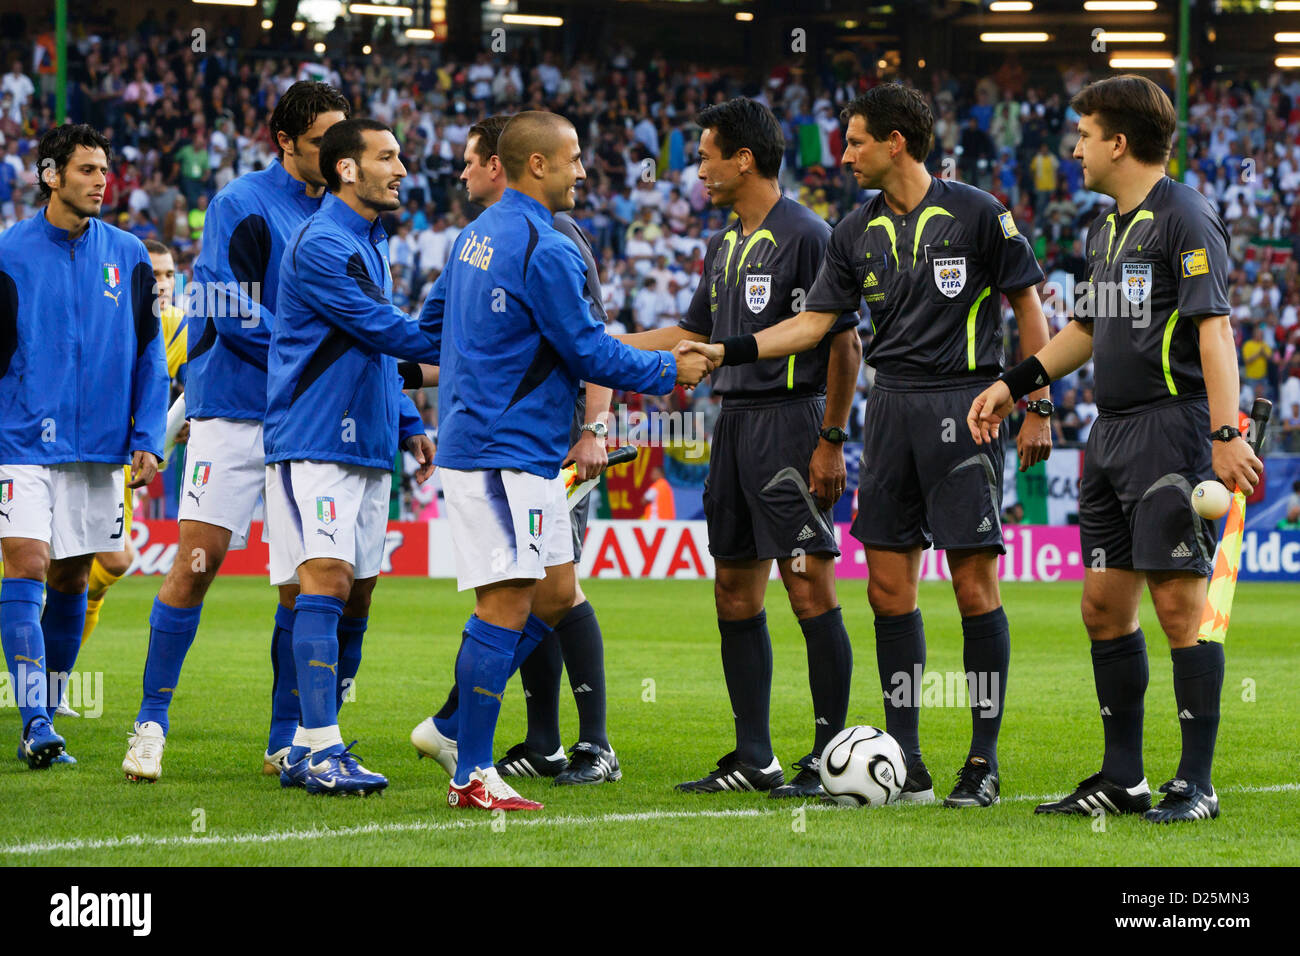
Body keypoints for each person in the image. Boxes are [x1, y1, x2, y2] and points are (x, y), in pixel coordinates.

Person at [681, 85, 1053, 807]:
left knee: (974, 587)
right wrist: (728, 350)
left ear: (896, 143)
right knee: (889, 591)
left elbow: (1030, 307)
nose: (843, 155)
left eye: (854, 142)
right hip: (889, 412)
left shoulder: (978, 213)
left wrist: (1034, 404)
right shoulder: (852, 232)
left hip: (966, 406)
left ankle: (982, 761)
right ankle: (906, 761)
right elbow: (816, 327)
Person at [967, 75, 1263, 823]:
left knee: (1178, 607)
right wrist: (1014, 384)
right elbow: (1085, 333)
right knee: (1103, 607)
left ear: (1119, 143)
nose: (1075, 148)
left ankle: (1195, 782)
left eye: (1085, 134)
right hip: (1112, 433)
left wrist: (1225, 434)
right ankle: (1122, 778)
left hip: (1174, 428)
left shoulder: (1185, 215)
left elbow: (1215, 330)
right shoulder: (1105, 230)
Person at [420, 110, 708, 811]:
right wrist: (670, 366)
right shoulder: (546, 247)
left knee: (528, 600)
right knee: (506, 604)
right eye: (575, 157)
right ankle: (473, 769)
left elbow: (430, 334)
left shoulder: (471, 239)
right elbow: (588, 350)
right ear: (537, 164)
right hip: (508, 452)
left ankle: (467, 749)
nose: (585, 171)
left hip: (485, 444)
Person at [620, 97, 862, 798]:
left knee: (808, 587)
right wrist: (599, 348)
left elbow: (844, 342)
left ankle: (827, 760)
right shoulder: (723, 245)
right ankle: (754, 757)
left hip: (794, 421)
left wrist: (832, 437)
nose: (697, 170)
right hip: (733, 424)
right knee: (733, 590)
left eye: (704, 156)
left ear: (743, 159)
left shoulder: (810, 234)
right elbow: (688, 337)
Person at [121, 82, 351, 783]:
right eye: (323, 145)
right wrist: (306, 356)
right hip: (231, 410)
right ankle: (151, 722)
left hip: (304, 420)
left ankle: (286, 739)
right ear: (285, 141)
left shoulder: (344, 214)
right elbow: (225, 305)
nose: (340, 159)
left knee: (298, 585)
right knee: (196, 564)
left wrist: (400, 413)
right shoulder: (239, 204)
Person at [410, 114, 627, 786]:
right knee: (526, 594)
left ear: (503, 164)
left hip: (552, 443)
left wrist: (594, 428)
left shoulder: (549, 239)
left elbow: (589, 344)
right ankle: (497, 751)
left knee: (552, 591)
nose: (466, 172)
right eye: (577, 158)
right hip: (511, 447)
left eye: (473, 161)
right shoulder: (489, 240)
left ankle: (580, 743)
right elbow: (444, 341)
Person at [267, 118, 438, 795]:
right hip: (315, 438)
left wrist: (401, 418)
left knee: (359, 592)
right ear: (346, 170)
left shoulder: (370, 241)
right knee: (328, 579)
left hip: (366, 438)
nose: (401, 168)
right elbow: (386, 329)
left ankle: (312, 742)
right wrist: (490, 341)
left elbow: (373, 349)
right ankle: (324, 747)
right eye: (387, 157)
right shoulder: (322, 242)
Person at [0, 124, 167, 767]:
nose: (102, 181)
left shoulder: (126, 254)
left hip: (98, 444)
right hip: (19, 436)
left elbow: (150, 350)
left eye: (105, 170)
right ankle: (37, 722)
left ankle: (49, 696)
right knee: (28, 562)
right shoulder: (8, 252)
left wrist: (147, 433)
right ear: (51, 175)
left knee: (72, 572)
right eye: (88, 170)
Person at [73, 240, 189, 675]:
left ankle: (53, 680)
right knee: (95, 562)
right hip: (82, 449)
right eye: (152, 275)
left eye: (168, 275)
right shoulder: (107, 320)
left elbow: (196, 388)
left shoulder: (181, 328)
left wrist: (188, 424)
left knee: (99, 569)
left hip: (126, 462)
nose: (161, 284)